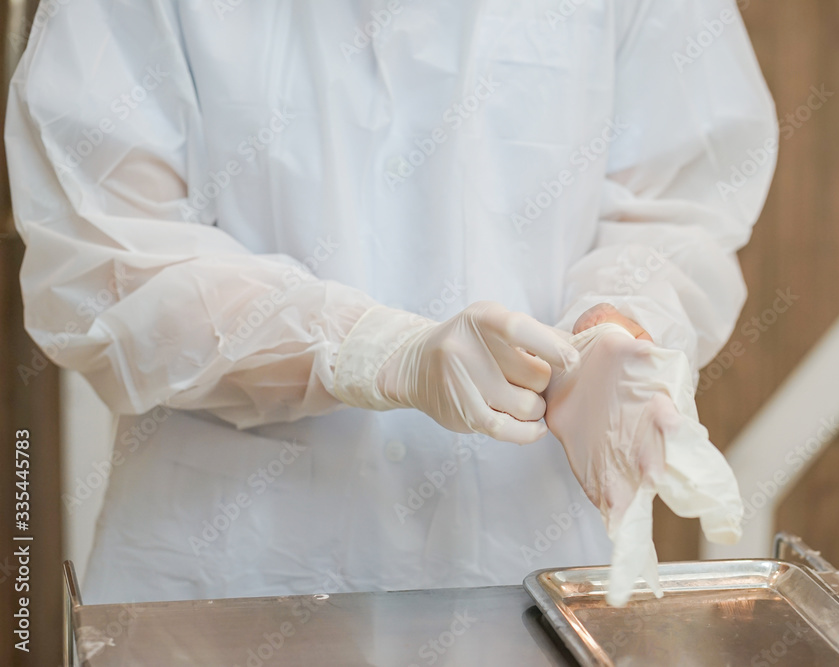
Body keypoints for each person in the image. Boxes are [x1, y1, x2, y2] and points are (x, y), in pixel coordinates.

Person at [6, 0, 776, 604]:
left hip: (525, 560)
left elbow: (679, 199)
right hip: (228, 569)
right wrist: (375, 351)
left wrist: (615, 326)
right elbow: (105, 263)